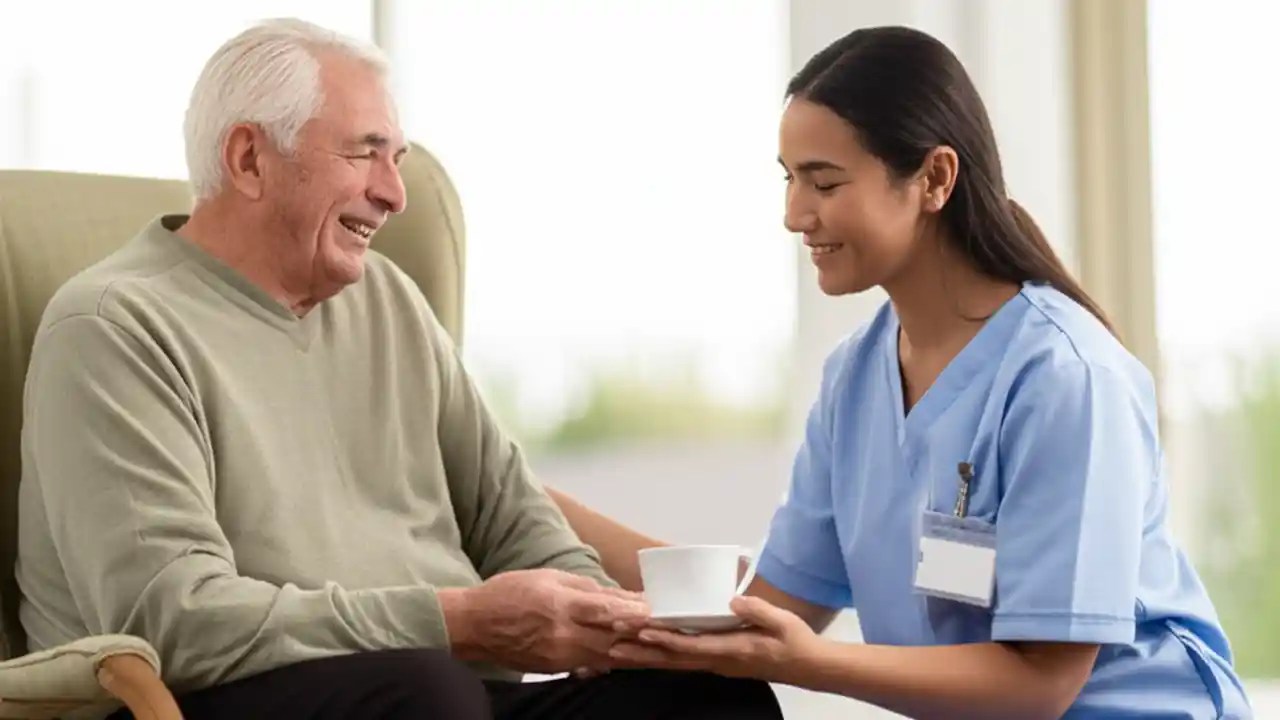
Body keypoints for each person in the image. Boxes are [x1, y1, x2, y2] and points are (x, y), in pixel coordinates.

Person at [14, 18, 782, 720]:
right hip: (219, 698)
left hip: (442, 692)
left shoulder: (386, 297)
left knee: (704, 698)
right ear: (249, 158)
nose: (393, 192)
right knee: (424, 689)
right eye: (364, 152)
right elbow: (174, 622)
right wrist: (456, 621)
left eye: (398, 158)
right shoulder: (114, 326)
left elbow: (512, 516)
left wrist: (599, 624)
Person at [549, 26, 1253, 719]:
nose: (795, 214)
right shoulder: (855, 381)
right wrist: (515, 495)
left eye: (823, 181)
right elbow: (762, 607)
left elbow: (1040, 687)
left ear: (934, 179)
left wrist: (805, 662)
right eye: (790, 180)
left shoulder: (1067, 378)